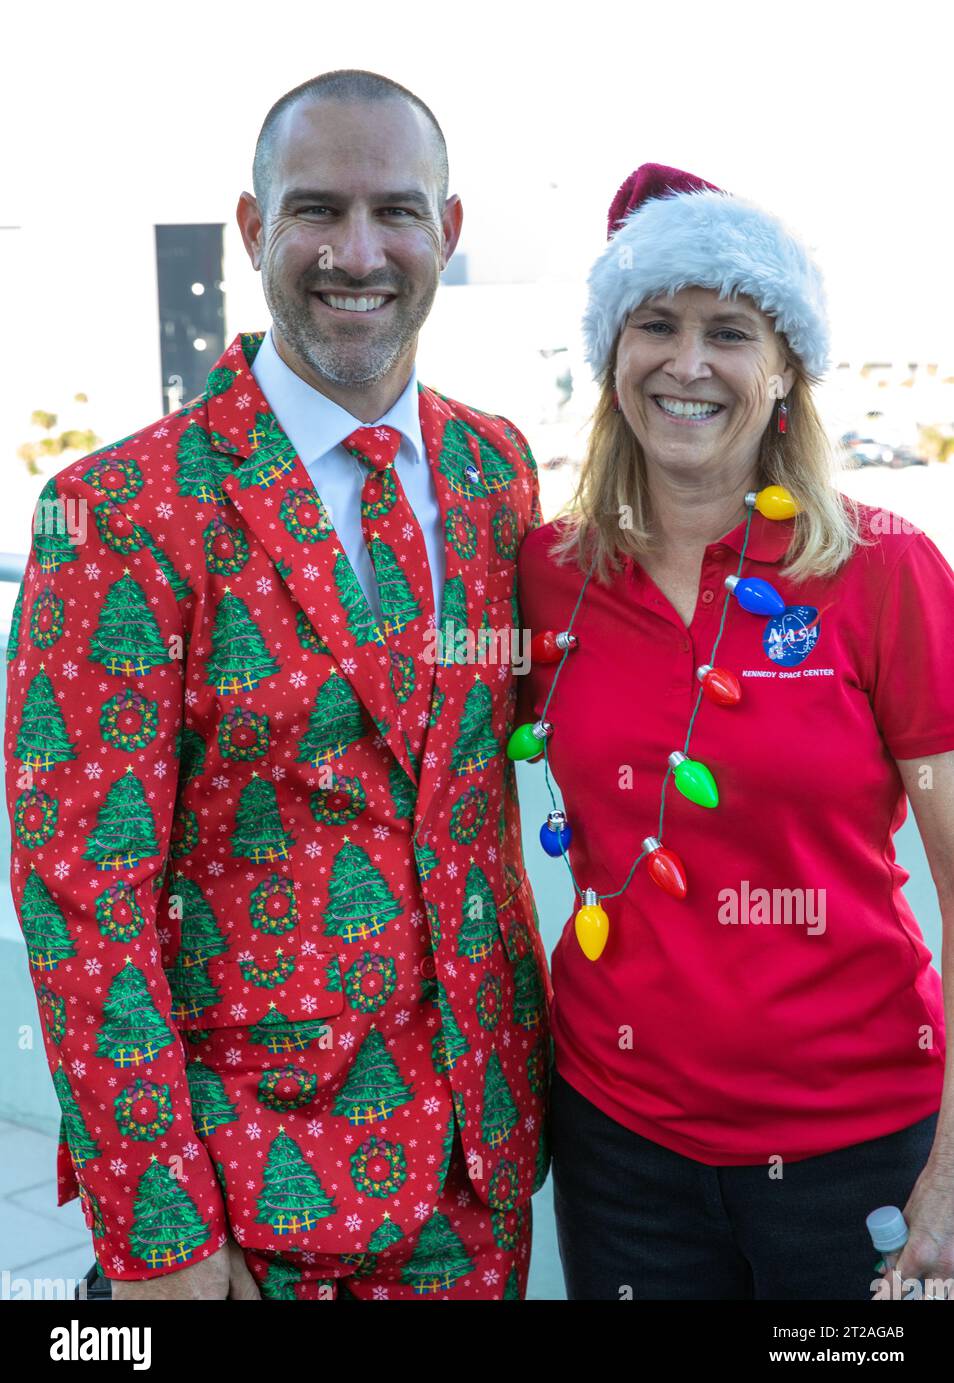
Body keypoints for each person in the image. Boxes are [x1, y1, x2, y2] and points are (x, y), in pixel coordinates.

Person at [4, 69, 551, 1302]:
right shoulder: (117, 510)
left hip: (485, 1171)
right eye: (317, 210)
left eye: (396, 212)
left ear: (446, 235)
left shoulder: (495, 470)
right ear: (254, 232)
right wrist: (164, 1236)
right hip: (247, 1202)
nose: (357, 252)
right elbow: (81, 903)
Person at [515, 163, 954, 1300]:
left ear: (786, 368)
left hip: (859, 1146)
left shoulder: (884, 569)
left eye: (731, 330)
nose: (689, 362)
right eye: (655, 324)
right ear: (614, 361)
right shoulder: (549, 580)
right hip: (620, 1146)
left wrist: (953, 1169)